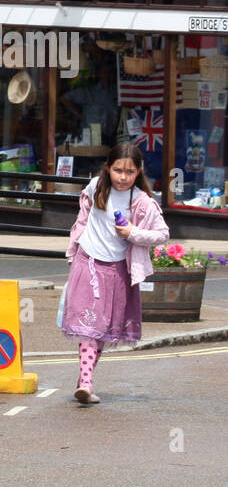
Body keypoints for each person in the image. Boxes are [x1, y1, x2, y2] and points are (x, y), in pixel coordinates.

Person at [60, 142, 169, 404]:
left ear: (138, 171)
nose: (123, 177)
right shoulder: (95, 187)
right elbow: (83, 217)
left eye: (130, 172)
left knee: (101, 329)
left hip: (118, 269)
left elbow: (163, 234)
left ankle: (84, 380)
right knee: (88, 327)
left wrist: (133, 233)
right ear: (107, 168)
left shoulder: (143, 202)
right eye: (118, 170)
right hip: (88, 263)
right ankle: (86, 382)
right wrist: (74, 247)